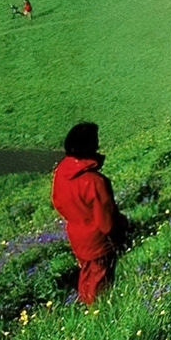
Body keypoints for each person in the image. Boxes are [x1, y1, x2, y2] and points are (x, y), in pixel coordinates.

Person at [51, 122, 123, 305]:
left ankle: (84, 306)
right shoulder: (95, 181)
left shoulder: (61, 171)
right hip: (97, 240)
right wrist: (122, 230)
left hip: (76, 234)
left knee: (87, 272)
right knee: (99, 283)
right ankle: (95, 314)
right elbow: (106, 222)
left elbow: (57, 203)